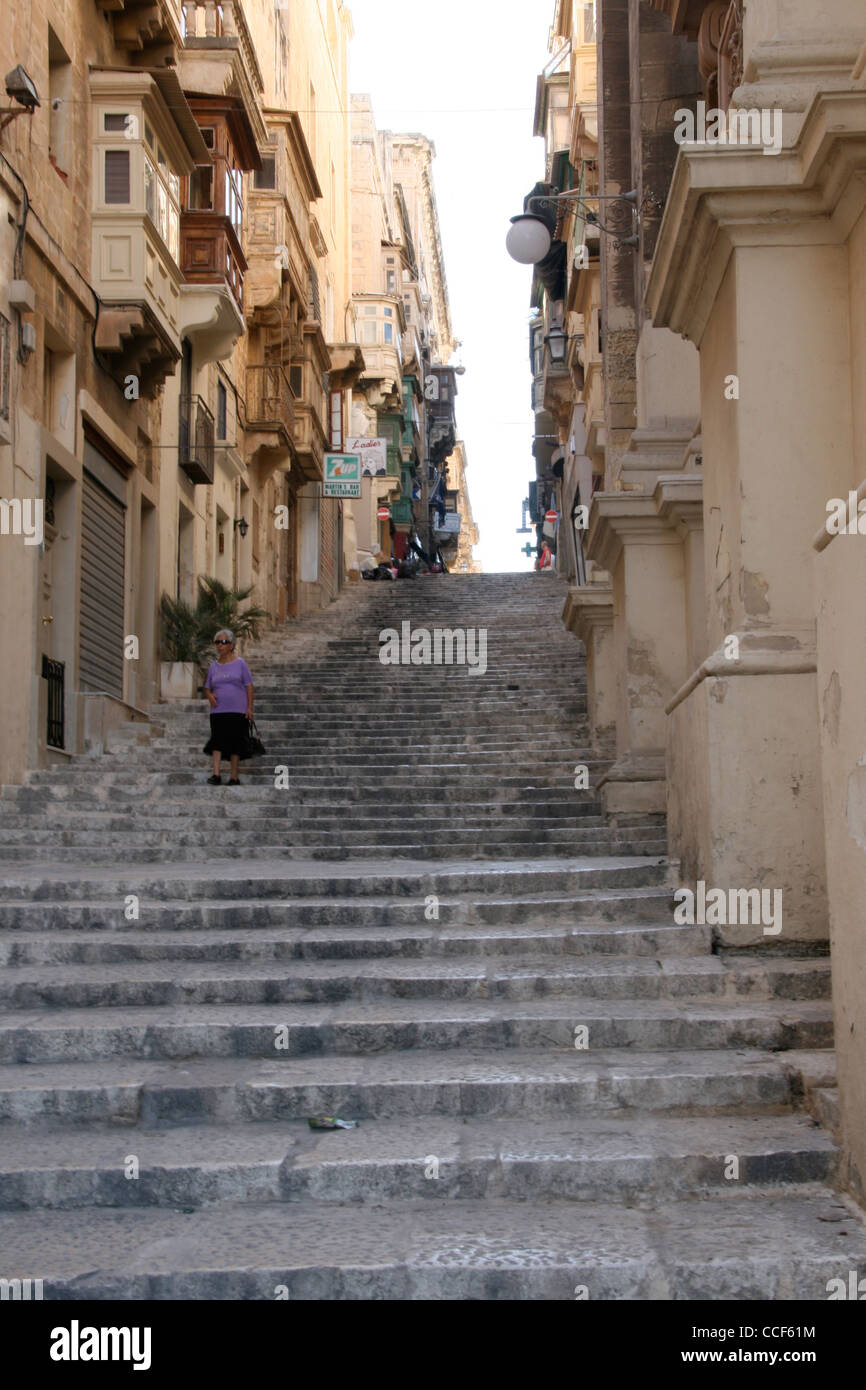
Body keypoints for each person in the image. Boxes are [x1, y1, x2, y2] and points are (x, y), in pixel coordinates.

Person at [202, 629, 254, 786]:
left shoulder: (240, 664)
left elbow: (249, 686)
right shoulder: (214, 666)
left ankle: (234, 777)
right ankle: (216, 775)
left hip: (238, 710)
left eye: (223, 642)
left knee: (235, 743)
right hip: (218, 710)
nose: (220, 645)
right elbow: (207, 687)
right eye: (217, 642)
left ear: (232, 645)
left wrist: (249, 708)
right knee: (217, 741)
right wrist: (210, 696)